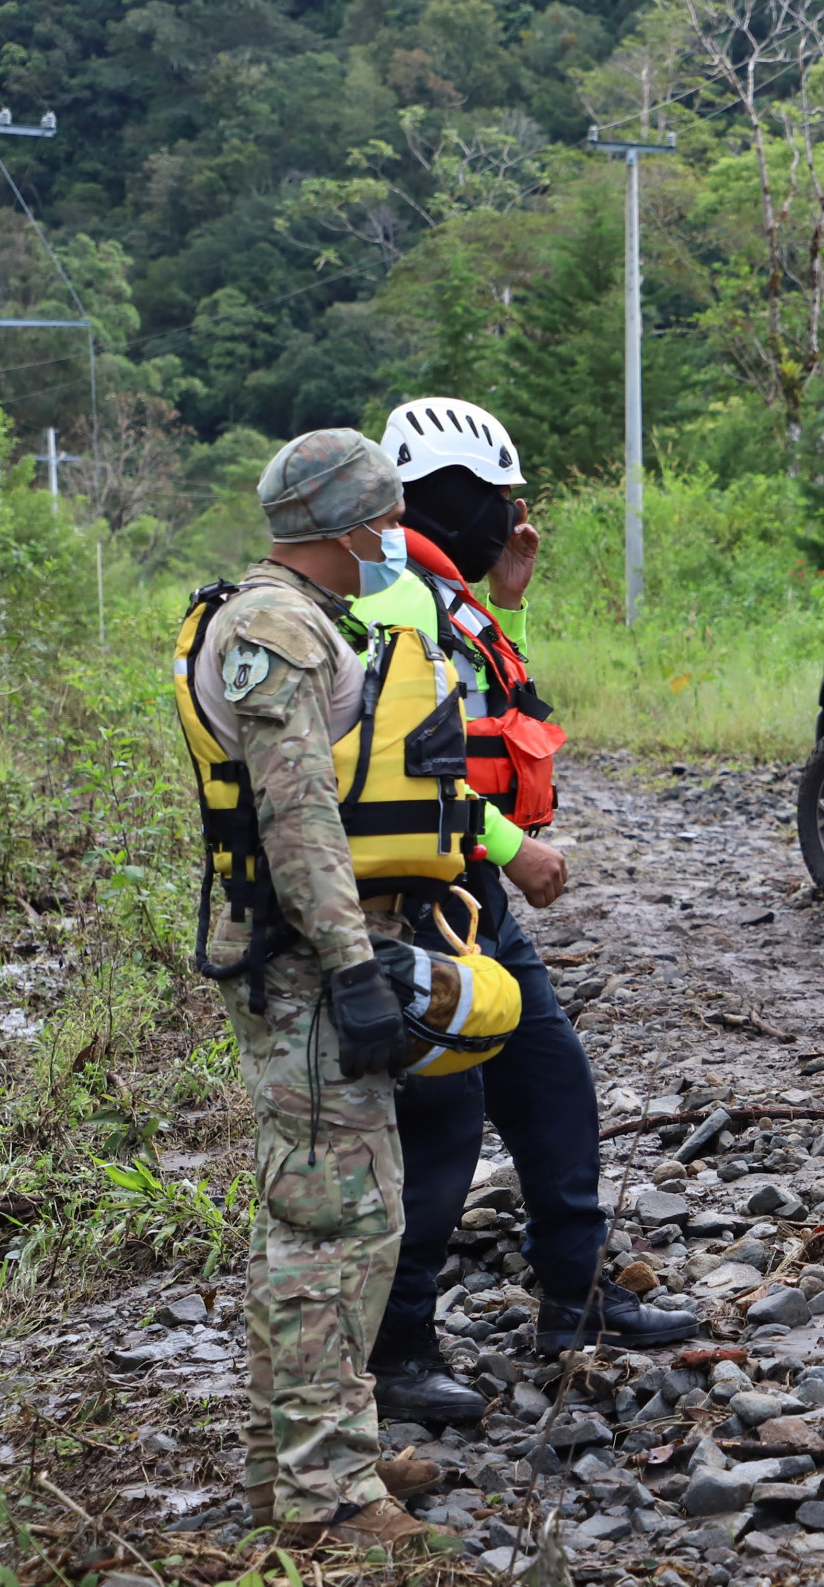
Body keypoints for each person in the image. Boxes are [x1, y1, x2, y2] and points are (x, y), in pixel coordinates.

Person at [350, 399, 694, 1429]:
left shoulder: (444, 594)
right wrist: (518, 848)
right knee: (442, 1128)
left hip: (473, 899)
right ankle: (401, 1346)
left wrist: (512, 596)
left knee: (551, 1087)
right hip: (420, 906)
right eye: (496, 499)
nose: (510, 514)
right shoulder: (392, 599)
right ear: (441, 497)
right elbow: (419, 768)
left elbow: (504, 714)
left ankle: (575, 1298)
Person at [172, 429, 452, 1548]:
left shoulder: (278, 617)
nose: (389, 535)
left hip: (307, 951)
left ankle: (293, 1456)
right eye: (380, 517)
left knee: (319, 1216)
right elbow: (297, 812)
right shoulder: (277, 629)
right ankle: (326, 1496)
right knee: (334, 1225)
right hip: (303, 961)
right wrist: (351, 967)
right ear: (344, 526)